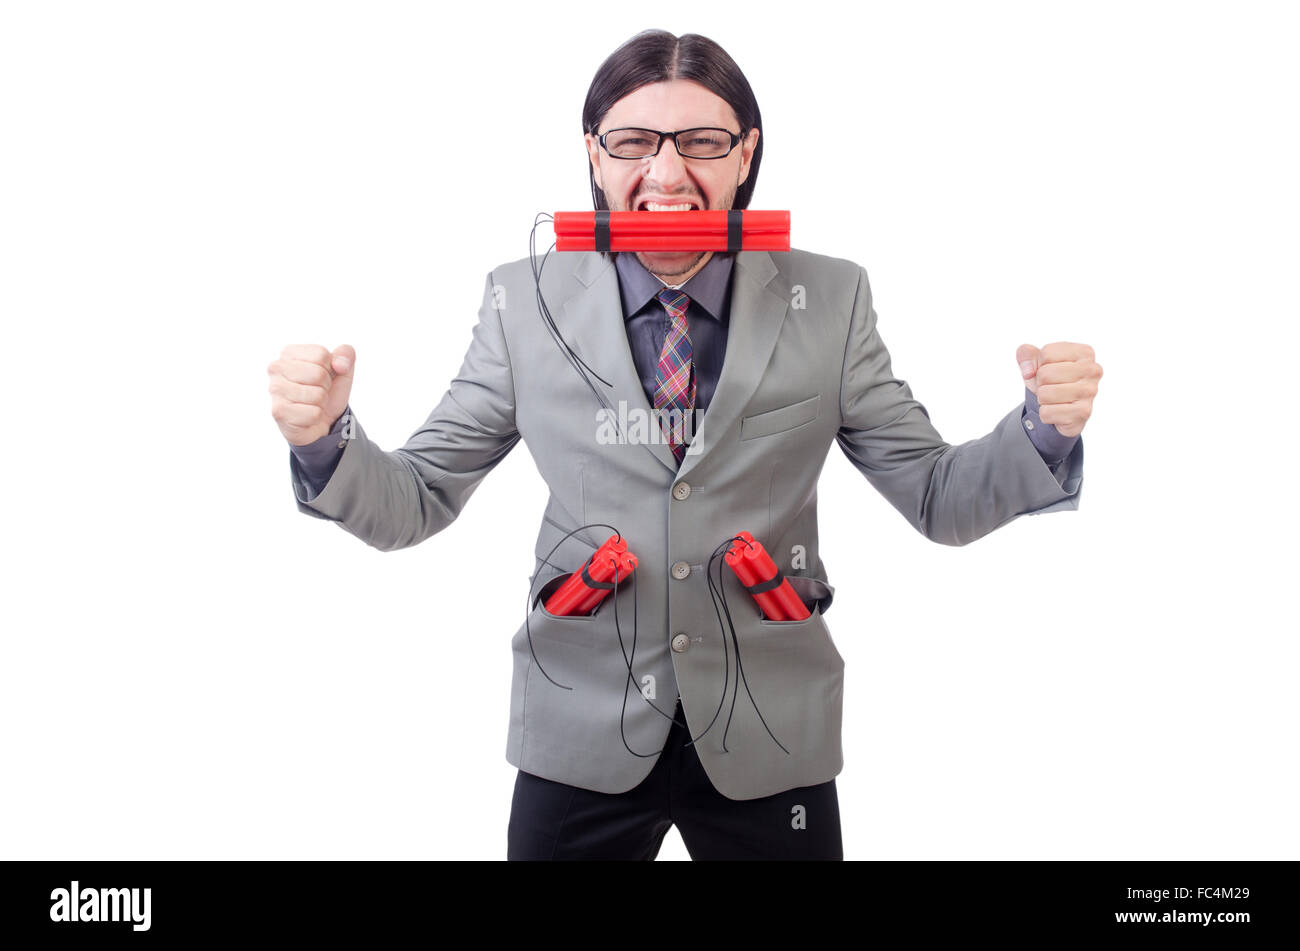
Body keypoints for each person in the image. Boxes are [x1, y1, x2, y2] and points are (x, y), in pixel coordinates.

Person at [266, 30, 1103, 860]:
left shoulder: (832, 297)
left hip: (771, 730)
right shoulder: (523, 302)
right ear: (593, 156)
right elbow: (415, 498)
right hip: (577, 728)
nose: (666, 176)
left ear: (746, 155)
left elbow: (937, 496)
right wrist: (323, 440)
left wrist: (1042, 429)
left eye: (702, 142)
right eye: (633, 142)